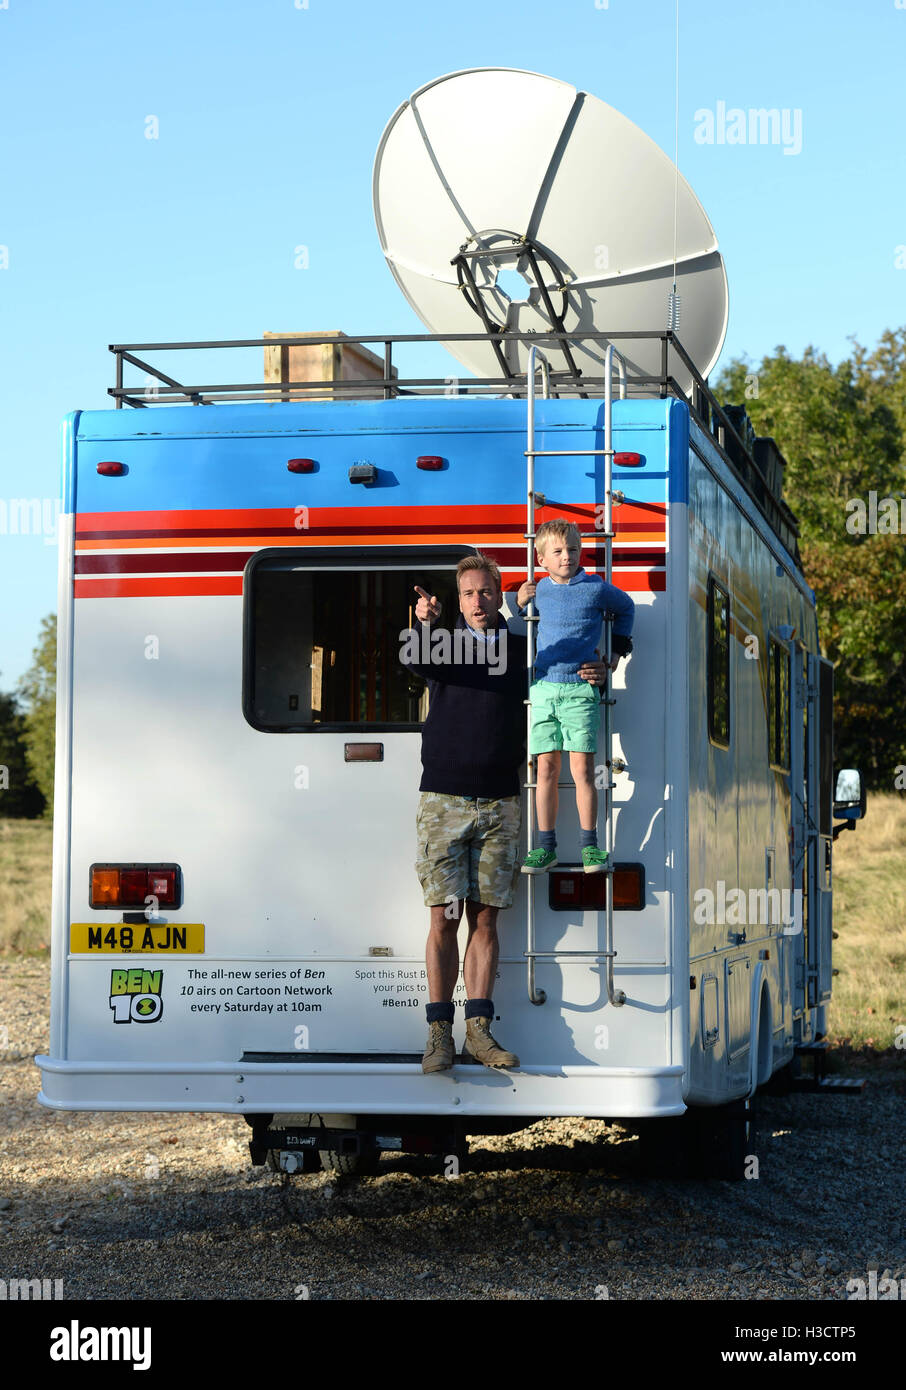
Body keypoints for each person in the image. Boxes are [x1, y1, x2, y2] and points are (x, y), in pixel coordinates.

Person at [401, 553, 611, 1074]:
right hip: (443, 801)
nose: (477, 601)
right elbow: (411, 656)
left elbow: (563, 679)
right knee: (442, 920)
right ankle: (437, 1035)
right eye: (468, 593)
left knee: (486, 921)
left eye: (486, 591)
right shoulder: (441, 646)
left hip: (501, 801)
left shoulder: (523, 649)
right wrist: (422, 622)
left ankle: (479, 1032)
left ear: (501, 595)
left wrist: (598, 671)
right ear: (457, 600)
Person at [516, 518, 635, 875]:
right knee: (544, 769)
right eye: (558, 551)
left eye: (573, 549)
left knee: (583, 770)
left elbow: (627, 607)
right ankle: (545, 846)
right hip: (543, 687)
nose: (567, 556)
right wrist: (519, 602)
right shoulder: (540, 589)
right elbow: (529, 617)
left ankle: (590, 846)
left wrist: (618, 648)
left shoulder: (596, 588)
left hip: (580, 689)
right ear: (542, 560)